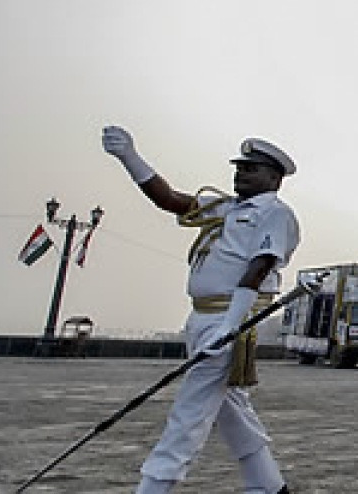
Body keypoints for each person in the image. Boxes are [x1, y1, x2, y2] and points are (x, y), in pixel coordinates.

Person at [103, 126, 298, 494]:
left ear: (274, 178)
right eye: (239, 167)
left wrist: (229, 326)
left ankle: (153, 487)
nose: (240, 173)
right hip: (203, 318)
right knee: (232, 410)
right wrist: (130, 157)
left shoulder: (275, 213)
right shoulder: (226, 207)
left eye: (251, 169)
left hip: (230, 319)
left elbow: (259, 267)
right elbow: (171, 200)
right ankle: (269, 486)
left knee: (189, 414)